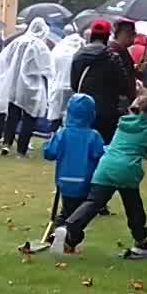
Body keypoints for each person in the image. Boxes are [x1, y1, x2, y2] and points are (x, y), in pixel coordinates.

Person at [56, 95, 147, 256]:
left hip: (105, 167)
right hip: (126, 171)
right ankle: (141, 241)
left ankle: (69, 228)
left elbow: (130, 147)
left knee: (93, 203)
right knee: (134, 209)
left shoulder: (122, 125)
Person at [42, 93, 107, 252]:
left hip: (64, 181)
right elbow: (100, 156)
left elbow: (49, 153)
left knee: (67, 210)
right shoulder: (93, 136)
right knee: (78, 215)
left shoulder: (62, 134)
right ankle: (69, 237)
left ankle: (59, 234)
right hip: (84, 182)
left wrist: (50, 142)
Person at [0, 18, 53, 158]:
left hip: (14, 85)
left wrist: (9, 73)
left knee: (12, 115)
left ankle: (6, 144)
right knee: (29, 117)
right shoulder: (40, 46)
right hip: (32, 87)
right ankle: (22, 149)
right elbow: (48, 69)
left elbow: (4, 57)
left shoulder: (18, 41)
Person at [70, 20, 133, 142]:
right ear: (107, 36)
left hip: (83, 108)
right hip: (107, 111)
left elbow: (74, 84)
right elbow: (124, 86)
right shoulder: (113, 58)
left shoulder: (79, 55)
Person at [47, 26, 84, 127]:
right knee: (70, 114)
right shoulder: (81, 49)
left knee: (56, 115)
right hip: (74, 87)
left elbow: (51, 67)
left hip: (58, 85)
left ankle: (54, 135)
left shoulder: (59, 48)